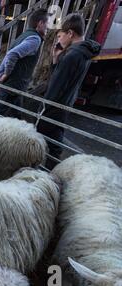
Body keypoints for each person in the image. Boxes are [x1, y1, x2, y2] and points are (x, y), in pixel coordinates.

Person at [37, 13, 100, 169]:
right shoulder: (85, 52)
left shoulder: (72, 55)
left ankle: (46, 174)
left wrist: (42, 110)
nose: (58, 40)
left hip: (54, 105)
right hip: (65, 103)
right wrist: (55, 61)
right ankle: (51, 173)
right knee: (55, 141)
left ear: (70, 33)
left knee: (42, 140)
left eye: (60, 36)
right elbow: (64, 79)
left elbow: (55, 86)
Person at [0, 8, 49, 118]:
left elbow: (8, 55)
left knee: (15, 114)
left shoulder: (25, 35)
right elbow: (11, 55)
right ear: (40, 23)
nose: (48, 26)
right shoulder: (34, 39)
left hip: (14, 86)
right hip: (13, 86)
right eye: (47, 23)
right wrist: (5, 75)